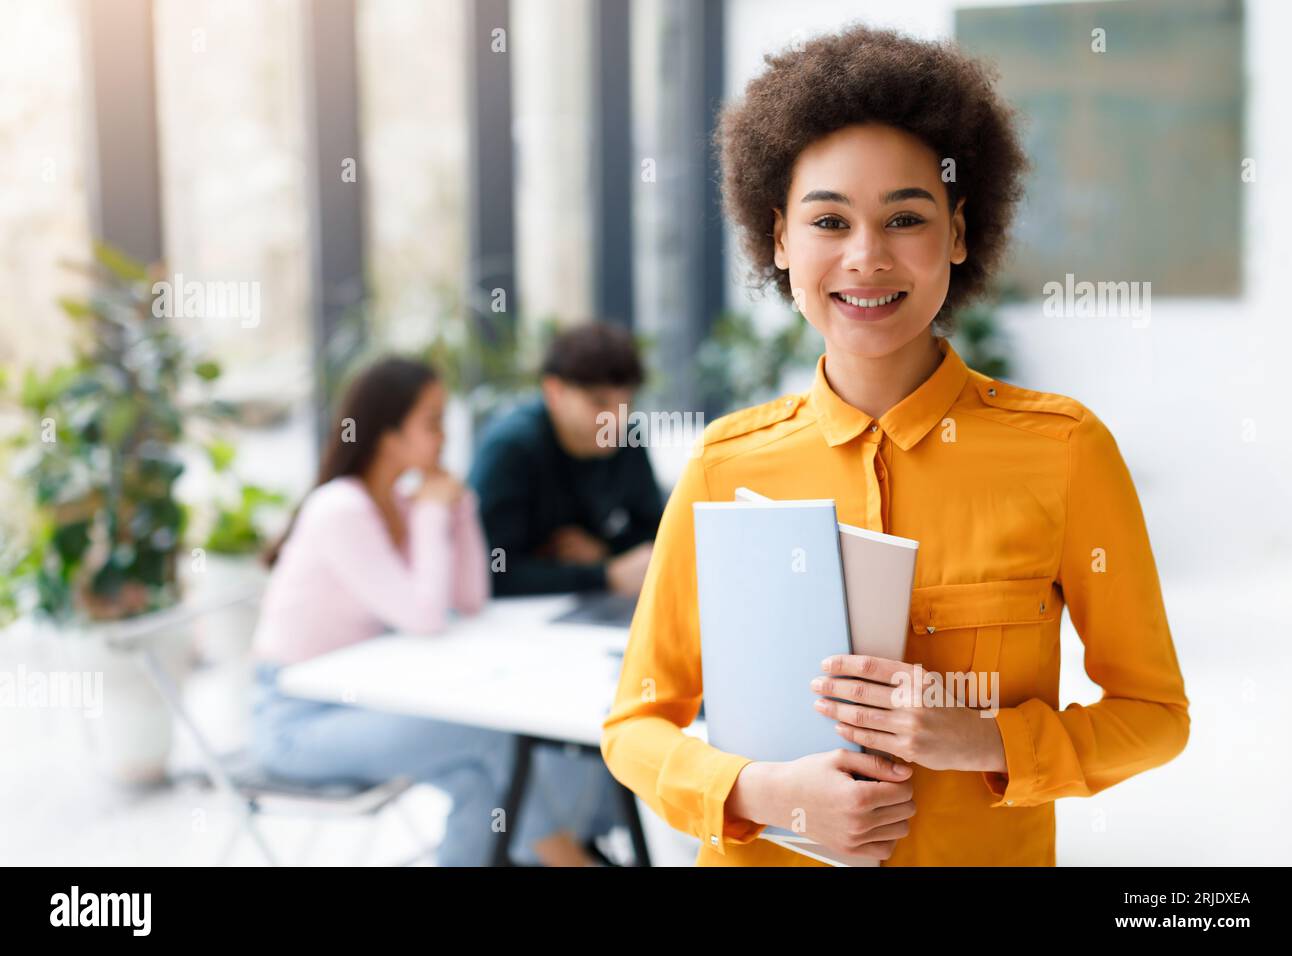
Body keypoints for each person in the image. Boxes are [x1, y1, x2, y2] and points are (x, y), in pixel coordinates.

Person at [600, 26, 1190, 866]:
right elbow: (635, 726)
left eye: (905, 217)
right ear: (778, 240)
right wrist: (767, 795)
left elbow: (1155, 716)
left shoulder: (1064, 453)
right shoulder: (724, 467)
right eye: (828, 220)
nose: (866, 257)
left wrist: (986, 740)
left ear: (958, 231)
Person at [251, 356, 620, 866]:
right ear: (388, 434)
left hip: (360, 701)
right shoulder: (343, 508)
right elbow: (424, 615)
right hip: (296, 722)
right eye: (432, 422)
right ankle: (568, 859)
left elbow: (468, 600)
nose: (444, 437)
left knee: (477, 779)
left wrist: (459, 507)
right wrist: (430, 510)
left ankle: (563, 849)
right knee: (492, 735)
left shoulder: (400, 505)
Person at [469, 322, 664, 598]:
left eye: (627, 404)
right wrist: (605, 574)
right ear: (554, 392)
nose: (617, 419)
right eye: (599, 403)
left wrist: (603, 551)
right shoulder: (511, 447)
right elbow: (492, 572)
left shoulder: (627, 439)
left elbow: (657, 535)